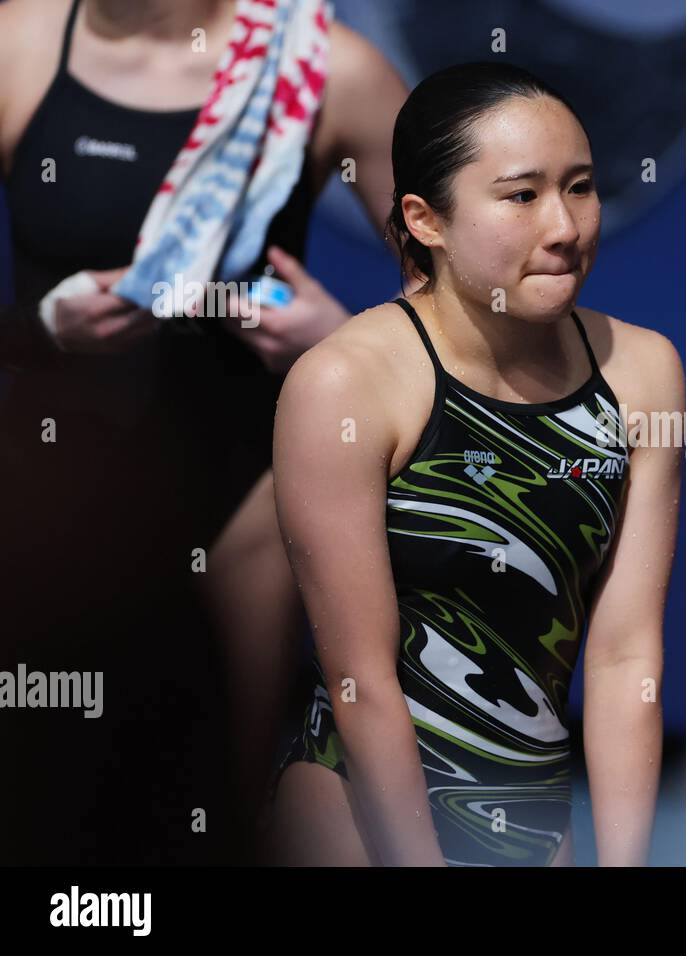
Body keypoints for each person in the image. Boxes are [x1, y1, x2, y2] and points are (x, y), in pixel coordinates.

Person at [0, 0, 406, 863]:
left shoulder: (327, 67)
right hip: (47, 488)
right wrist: (37, 326)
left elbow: (477, 301)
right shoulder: (17, 41)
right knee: (36, 799)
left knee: (204, 819)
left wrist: (343, 341)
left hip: (237, 503)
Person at [264, 62, 683, 866]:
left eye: (582, 187)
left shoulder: (642, 373)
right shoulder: (346, 384)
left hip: (532, 829)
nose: (565, 226)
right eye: (522, 196)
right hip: (357, 825)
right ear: (426, 220)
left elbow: (627, 657)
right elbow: (364, 682)